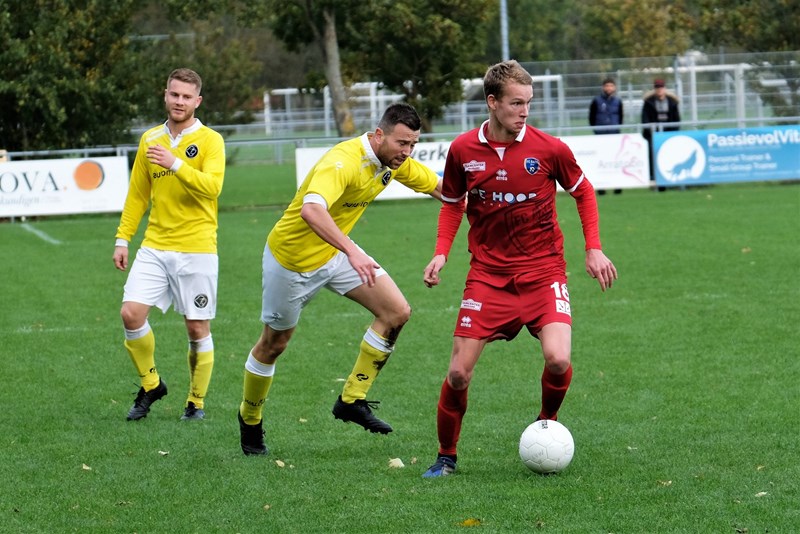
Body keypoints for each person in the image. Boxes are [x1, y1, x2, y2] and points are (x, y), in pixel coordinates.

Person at [420, 60, 618, 478]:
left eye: (528, 102)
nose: (525, 111)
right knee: (457, 373)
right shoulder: (462, 151)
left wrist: (593, 249)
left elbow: (583, 193)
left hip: (544, 273)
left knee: (559, 360)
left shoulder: (550, 148)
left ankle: (547, 422)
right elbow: (454, 204)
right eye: (516, 103)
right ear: (492, 103)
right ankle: (446, 456)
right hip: (488, 277)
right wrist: (442, 252)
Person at [237, 102, 442, 456]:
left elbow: (440, 187)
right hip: (292, 261)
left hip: (335, 254)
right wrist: (352, 251)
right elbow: (311, 209)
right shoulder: (343, 161)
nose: (407, 153)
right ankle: (250, 417)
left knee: (396, 312)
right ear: (379, 135)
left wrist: (489, 207)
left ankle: (351, 399)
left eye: (413, 145)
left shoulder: (393, 162)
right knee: (274, 344)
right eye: (402, 144)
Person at [113, 68, 225, 422]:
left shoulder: (210, 140)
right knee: (131, 313)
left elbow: (212, 188)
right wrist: (122, 238)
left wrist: (176, 163)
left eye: (186, 97)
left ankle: (196, 401)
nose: (179, 102)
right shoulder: (149, 140)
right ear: (165, 95)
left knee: (196, 328)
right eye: (174, 95)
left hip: (198, 248)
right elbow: (137, 196)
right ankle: (151, 384)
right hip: (155, 245)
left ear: (198, 101)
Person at [641, 78, 680, 187]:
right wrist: (651, 132)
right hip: (653, 135)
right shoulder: (648, 102)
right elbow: (645, 119)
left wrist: (672, 134)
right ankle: (653, 179)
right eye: (657, 87)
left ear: (664, 88)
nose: (659, 89)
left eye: (661, 87)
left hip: (668, 135)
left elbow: (676, 120)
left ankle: (668, 179)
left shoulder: (672, 102)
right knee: (652, 156)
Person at [588, 77, 623, 195]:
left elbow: (621, 118)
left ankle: (618, 186)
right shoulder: (596, 101)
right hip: (600, 137)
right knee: (600, 161)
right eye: (607, 86)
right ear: (603, 87)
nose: (609, 88)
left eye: (611, 86)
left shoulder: (618, 101)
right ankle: (601, 187)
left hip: (614, 136)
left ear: (615, 87)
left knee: (615, 161)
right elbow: (591, 118)